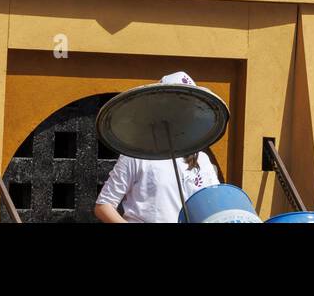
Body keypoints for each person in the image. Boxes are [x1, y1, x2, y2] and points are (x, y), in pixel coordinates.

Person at [93, 72, 221, 223]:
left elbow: (214, 206)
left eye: (187, 107)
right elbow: (104, 206)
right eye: (177, 105)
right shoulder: (136, 155)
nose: (182, 112)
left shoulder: (202, 158)